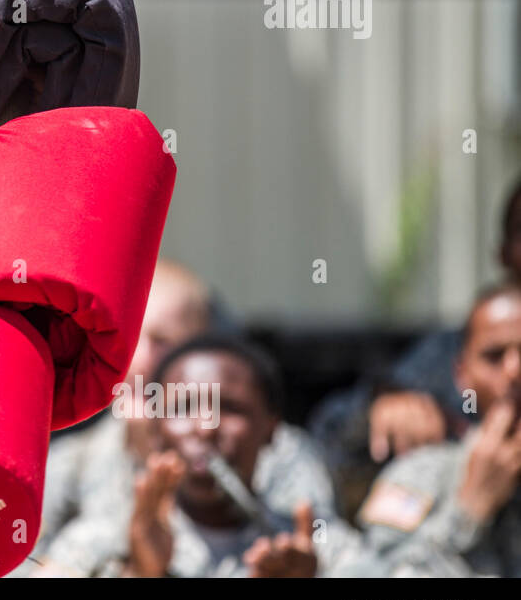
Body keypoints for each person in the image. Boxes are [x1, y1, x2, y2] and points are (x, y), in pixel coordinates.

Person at [36, 260, 336, 552]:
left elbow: (319, 545)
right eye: (128, 338)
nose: (139, 360)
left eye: (162, 341)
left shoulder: (276, 451)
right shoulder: (74, 461)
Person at [40, 335, 370, 577]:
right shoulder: (100, 539)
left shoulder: (321, 550)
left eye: (230, 409)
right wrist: (139, 572)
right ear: (155, 431)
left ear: (271, 429)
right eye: (184, 407)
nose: (205, 428)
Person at [308, 174, 521, 517]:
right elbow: (329, 437)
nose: (512, 370)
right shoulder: (449, 351)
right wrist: (382, 406)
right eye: (496, 356)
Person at [355, 281, 521, 576]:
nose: (514, 371)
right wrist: (469, 512)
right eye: (494, 356)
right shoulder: (420, 477)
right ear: (462, 374)